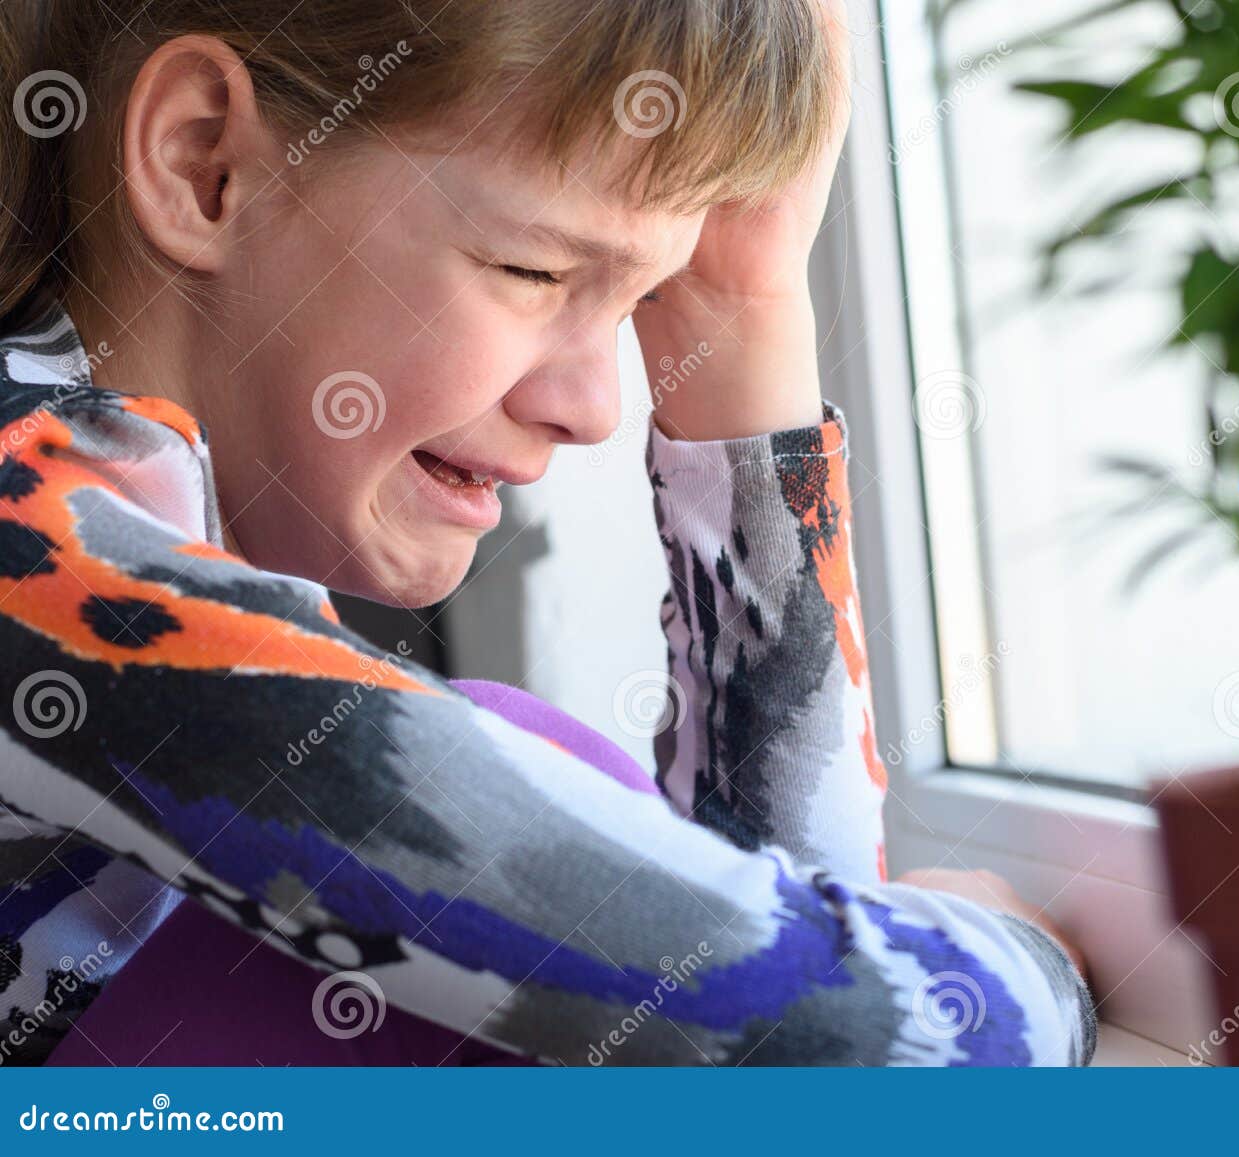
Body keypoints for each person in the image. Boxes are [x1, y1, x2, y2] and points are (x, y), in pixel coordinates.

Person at [0, 0, 1094, 1065]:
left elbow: (740, 955)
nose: (593, 407)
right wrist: (1027, 957)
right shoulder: (33, 550)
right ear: (204, 165)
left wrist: (744, 310)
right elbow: (860, 1048)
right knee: (527, 767)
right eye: (533, 271)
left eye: (639, 300)